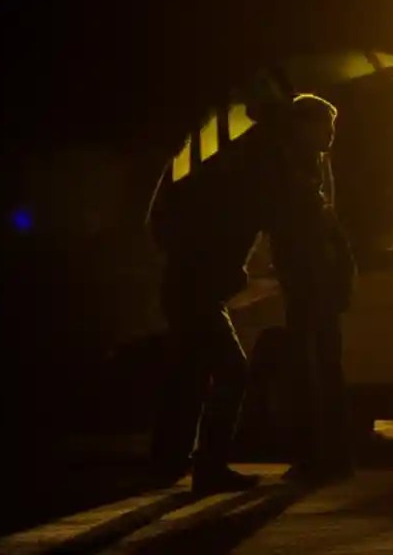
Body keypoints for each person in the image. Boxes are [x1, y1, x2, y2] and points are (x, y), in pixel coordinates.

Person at [146, 121, 271, 494]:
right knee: (232, 370)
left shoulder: (204, 179)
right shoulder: (236, 187)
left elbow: (160, 222)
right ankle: (209, 466)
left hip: (187, 287)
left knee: (191, 372)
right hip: (197, 291)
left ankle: (169, 460)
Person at [268, 94, 356, 484]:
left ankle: (321, 455)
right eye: (325, 126)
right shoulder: (296, 171)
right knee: (316, 368)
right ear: (303, 127)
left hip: (314, 281)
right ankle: (325, 455)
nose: (332, 135)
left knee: (315, 368)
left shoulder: (310, 168)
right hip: (311, 279)